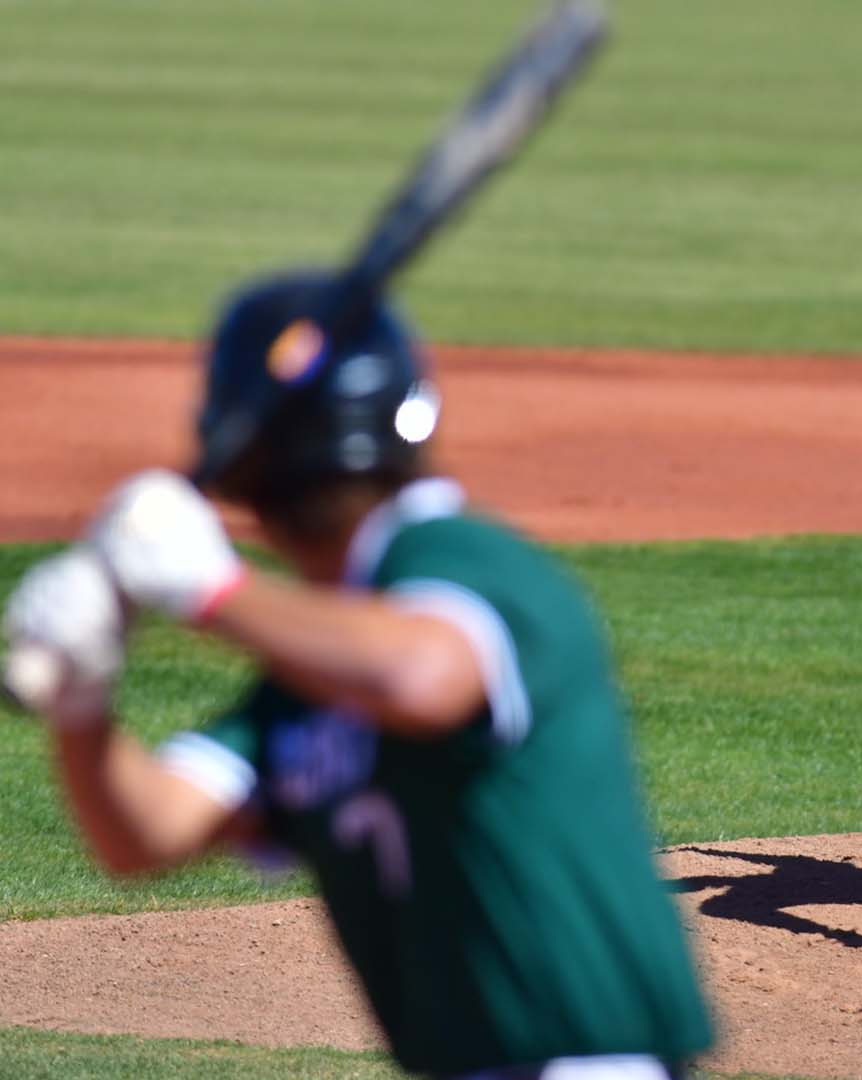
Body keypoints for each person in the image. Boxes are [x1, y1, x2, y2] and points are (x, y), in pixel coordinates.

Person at [3, 270, 713, 1078]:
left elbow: (421, 676)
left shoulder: (467, 562)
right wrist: (84, 701)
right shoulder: (317, 673)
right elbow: (144, 833)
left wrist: (211, 590)